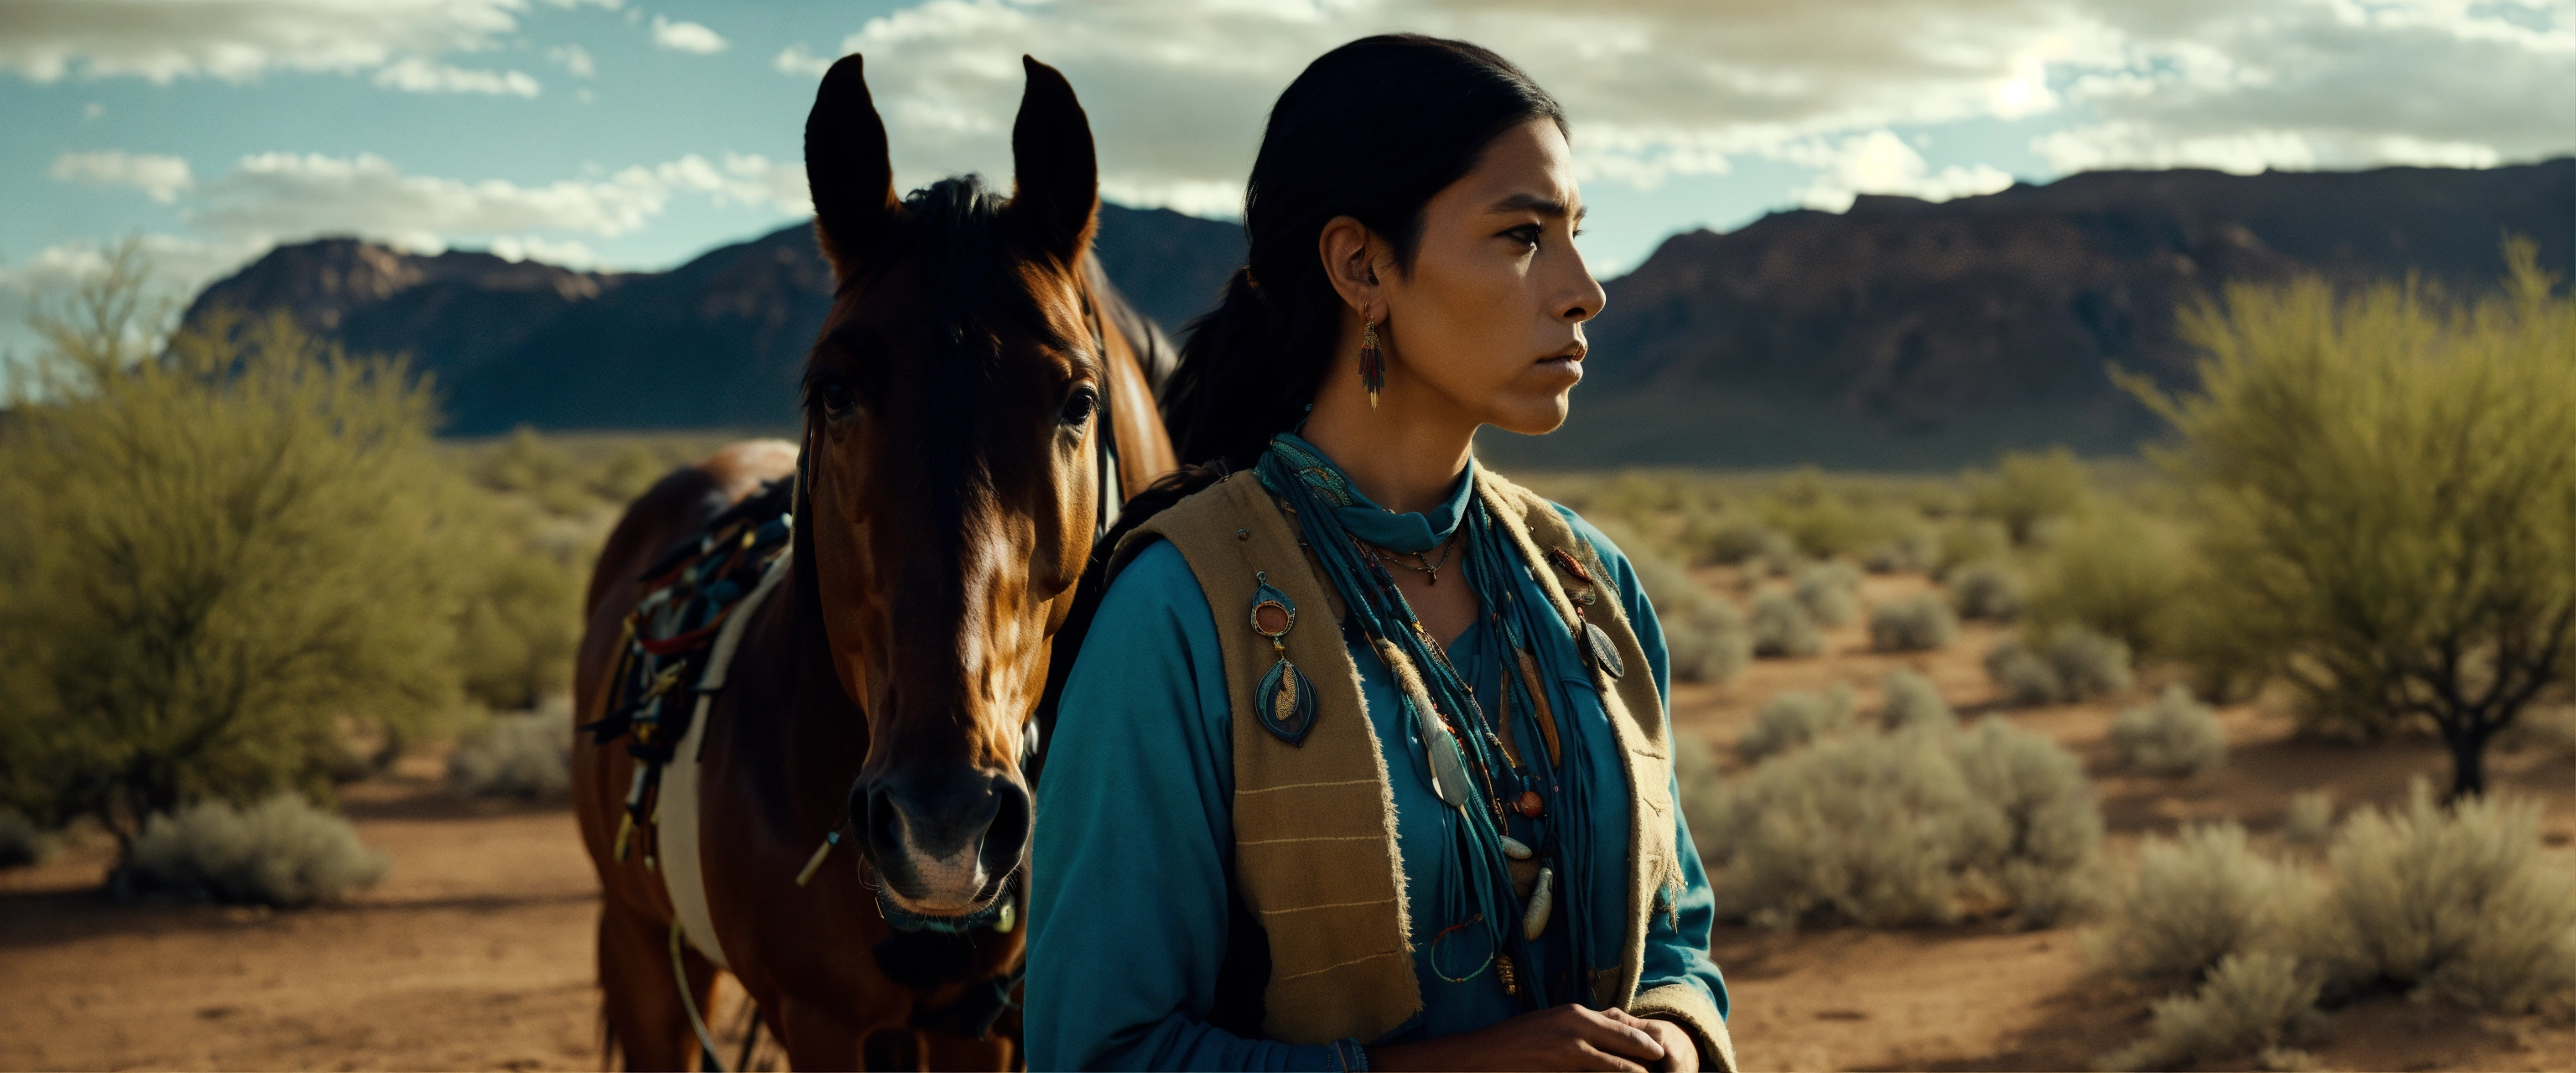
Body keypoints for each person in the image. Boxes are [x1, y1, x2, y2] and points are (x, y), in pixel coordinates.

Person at [1027, 34, 1733, 1073]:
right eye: (1523, 236)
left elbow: (1676, 931)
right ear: (1362, 265)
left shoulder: (1587, 580)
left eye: (1576, 233)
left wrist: (1669, 1034)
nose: (1586, 289)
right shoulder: (1178, 611)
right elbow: (1099, 1052)